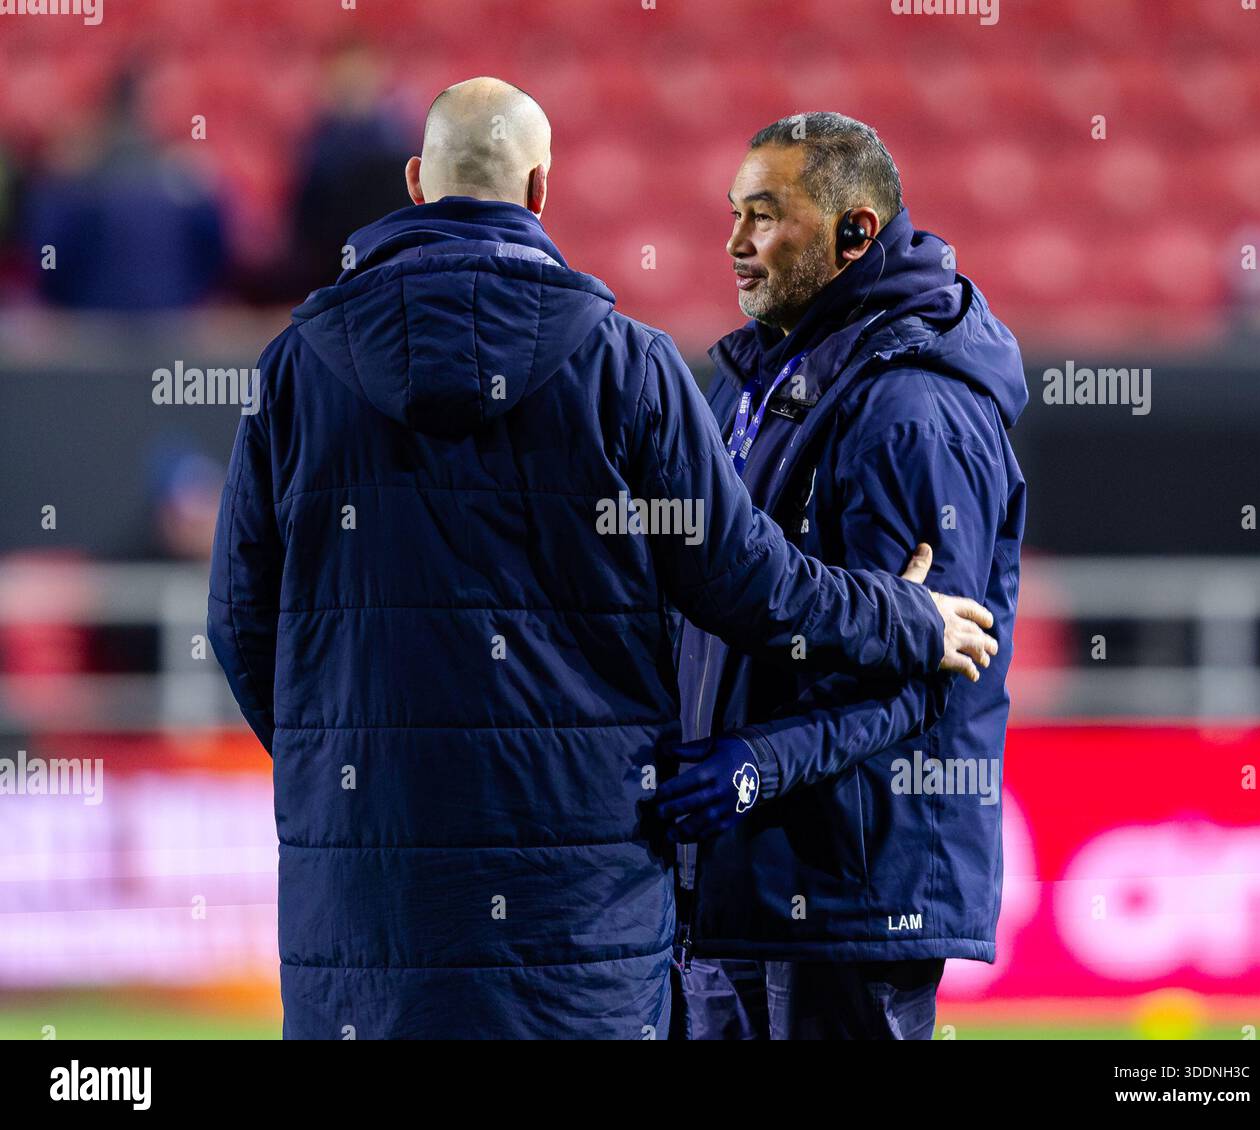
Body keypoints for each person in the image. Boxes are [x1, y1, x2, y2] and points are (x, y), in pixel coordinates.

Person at [207, 80, 996, 1039]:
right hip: (582, 916)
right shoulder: (633, 367)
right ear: (541, 189)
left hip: (363, 913)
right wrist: (905, 617)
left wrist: (350, 764)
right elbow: (748, 586)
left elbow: (239, 626)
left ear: (418, 183)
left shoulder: (295, 369)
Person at [660, 113, 1027, 1040]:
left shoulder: (914, 410)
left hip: (853, 889)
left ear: (853, 233)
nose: (735, 243)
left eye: (764, 216)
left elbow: (935, 667)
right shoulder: (751, 384)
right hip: (744, 866)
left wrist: (753, 765)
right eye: (734, 214)